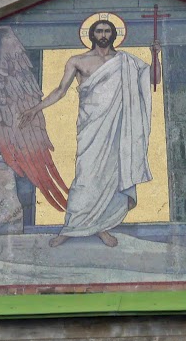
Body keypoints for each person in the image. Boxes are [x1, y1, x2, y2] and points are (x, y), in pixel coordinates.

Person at [30, 18, 153, 247]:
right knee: (85, 176)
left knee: (113, 176)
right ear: (92, 34)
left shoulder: (125, 61)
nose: (103, 34)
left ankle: (102, 227)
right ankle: (71, 227)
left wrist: (155, 57)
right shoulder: (78, 61)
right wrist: (37, 108)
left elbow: (150, 81)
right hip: (90, 127)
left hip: (117, 127)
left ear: (114, 34)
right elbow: (60, 90)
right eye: (99, 31)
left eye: (107, 30)